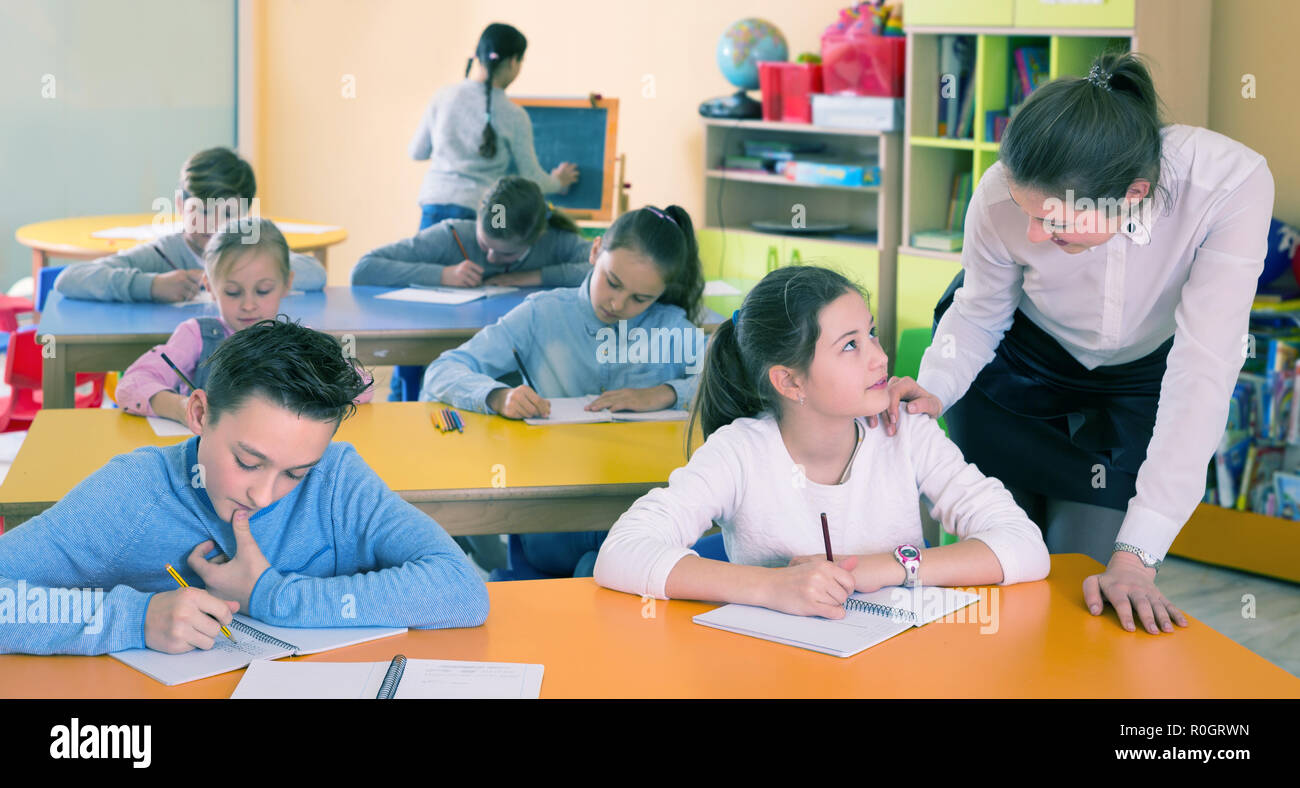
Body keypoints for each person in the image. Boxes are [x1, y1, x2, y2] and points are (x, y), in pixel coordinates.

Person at [875, 52, 1274, 635]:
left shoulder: (1227, 187)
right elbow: (981, 309)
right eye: (1025, 212)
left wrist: (1138, 558)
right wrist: (934, 388)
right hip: (1012, 371)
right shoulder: (999, 193)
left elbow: (1203, 372)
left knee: (1082, 595)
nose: (1034, 234)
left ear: (1133, 193)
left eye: (1054, 220)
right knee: (985, 591)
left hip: (1135, 388)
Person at [0, 318, 488, 656]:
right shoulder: (132, 494)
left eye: (295, 473)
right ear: (199, 414)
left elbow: (462, 591)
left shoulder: (337, 479)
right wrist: (136, 619)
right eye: (248, 461)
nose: (264, 495)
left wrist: (269, 594)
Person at [593, 265, 1050, 612]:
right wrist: (772, 587)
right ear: (790, 383)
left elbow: (1025, 547)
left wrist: (880, 568)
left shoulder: (906, 431)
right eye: (850, 345)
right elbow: (621, 553)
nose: (880, 357)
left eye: (870, 333)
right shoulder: (740, 452)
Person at [409, 22, 577, 231]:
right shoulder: (514, 115)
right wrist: (559, 182)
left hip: (434, 203)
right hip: (484, 211)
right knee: (480, 263)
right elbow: (532, 178)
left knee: (434, 264)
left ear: (477, 56)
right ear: (514, 61)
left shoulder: (443, 96)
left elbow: (416, 152)